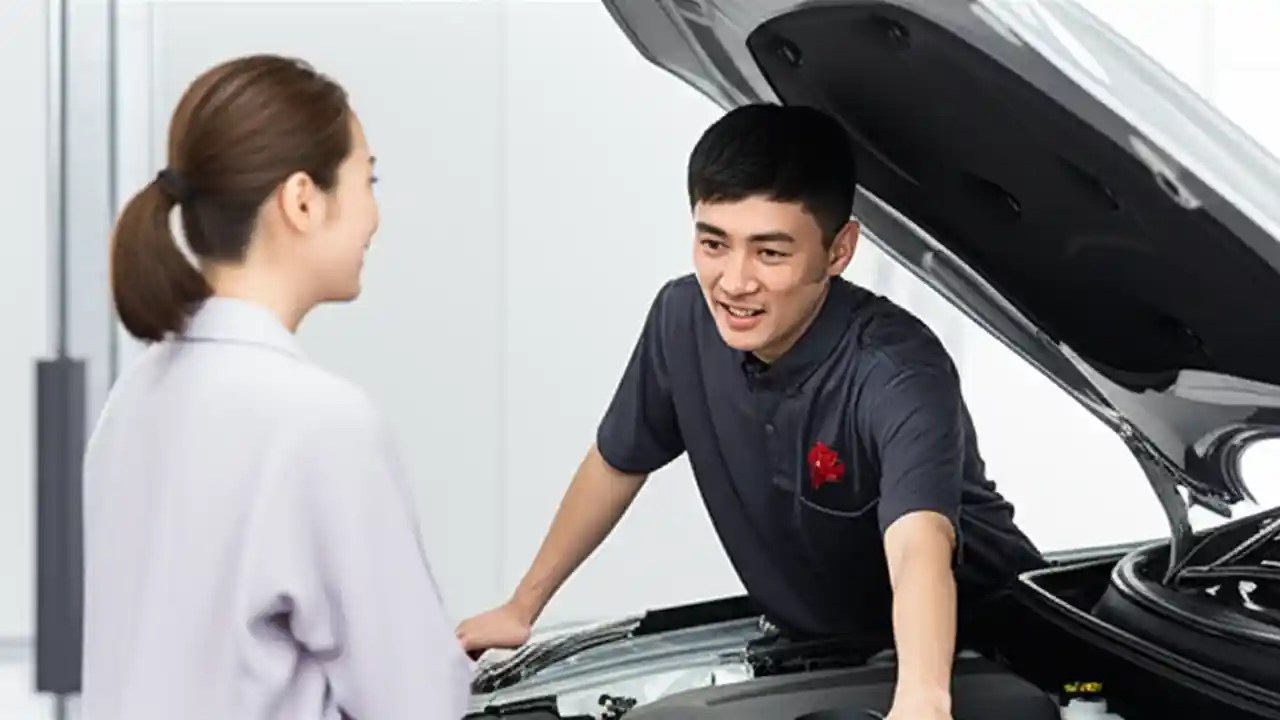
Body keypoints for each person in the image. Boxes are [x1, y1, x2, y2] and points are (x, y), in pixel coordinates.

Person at [455, 103, 1046, 719]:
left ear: (839, 250)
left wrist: (923, 699)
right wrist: (522, 607)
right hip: (825, 657)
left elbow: (917, 542)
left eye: (769, 253)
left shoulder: (897, 370)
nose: (734, 282)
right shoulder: (682, 320)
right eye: (714, 243)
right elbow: (616, 462)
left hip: (984, 650)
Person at [82, 54, 471, 720]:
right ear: (301, 200)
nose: (375, 215)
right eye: (366, 180)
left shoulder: (132, 400)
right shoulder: (319, 423)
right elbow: (418, 703)